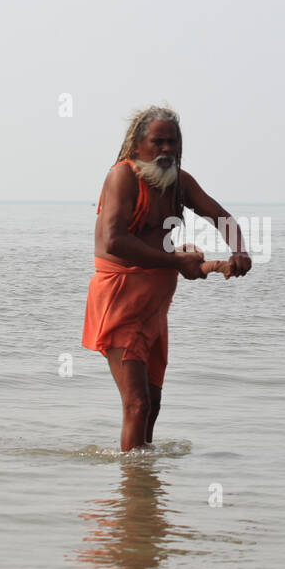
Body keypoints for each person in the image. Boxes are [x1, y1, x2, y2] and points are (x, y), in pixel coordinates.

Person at [81, 105, 252, 451]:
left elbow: (220, 216)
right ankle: (131, 487)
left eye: (172, 143)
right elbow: (115, 241)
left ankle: (144, 492)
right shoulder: (122, 176)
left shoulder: (179, 183)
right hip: (120, 301)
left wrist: (239, 251)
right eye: (157, 142)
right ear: (137, 145)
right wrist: (175, 261)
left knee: (153, 405)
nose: (166, 150)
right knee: (137, 404)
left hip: (155, 310)